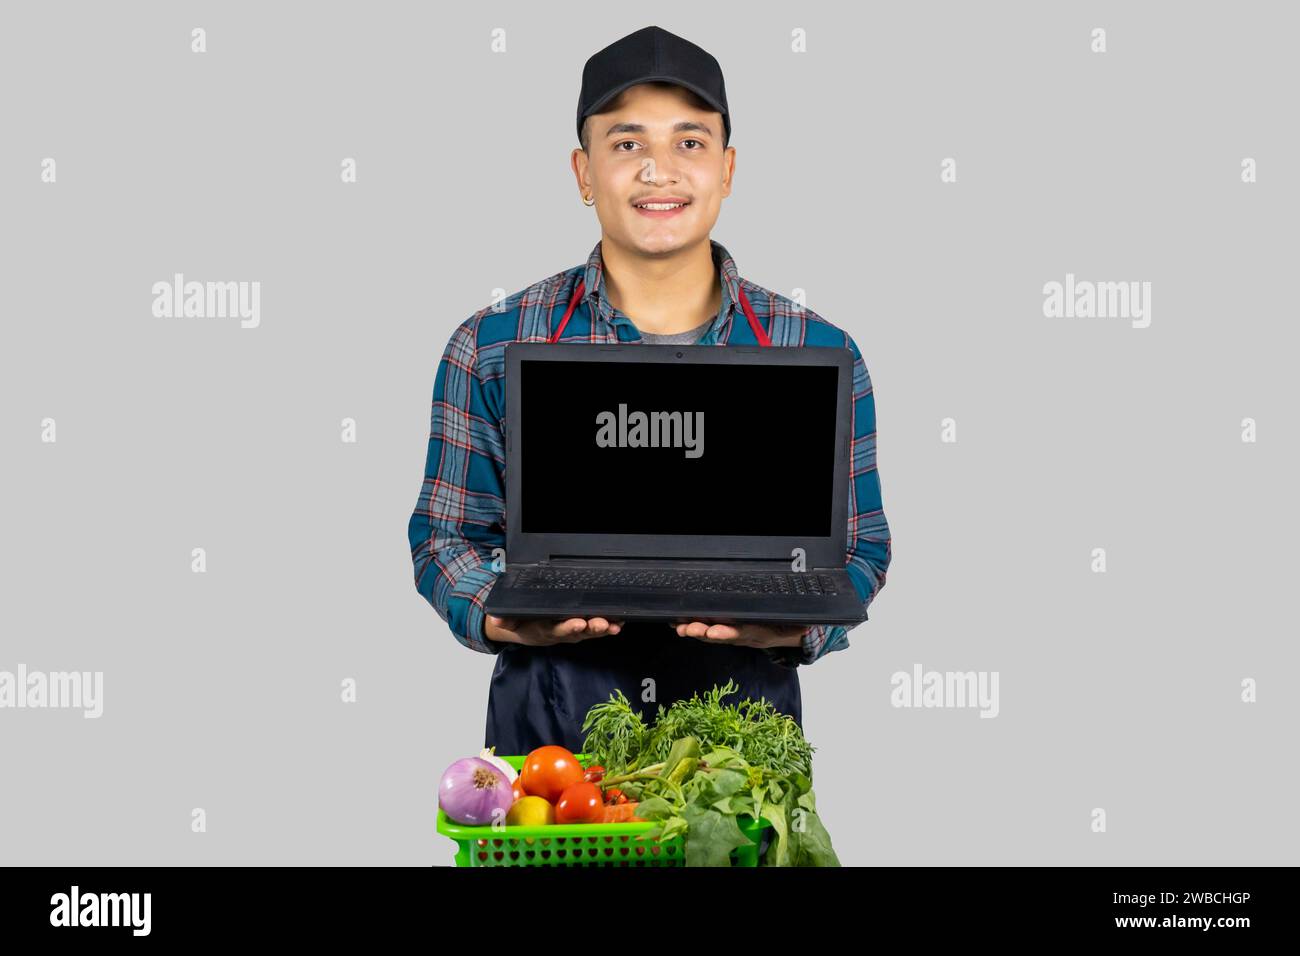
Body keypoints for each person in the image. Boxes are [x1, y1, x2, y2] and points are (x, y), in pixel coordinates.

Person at [408, 25, 892, 758]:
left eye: (689, 143)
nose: (659, 171)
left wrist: (795, 625)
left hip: (742, 759)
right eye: (627, 144)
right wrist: (506, 615)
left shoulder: (819, 351)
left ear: (727, 169)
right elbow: (445, 539)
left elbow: (860, 551)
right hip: (552, 753)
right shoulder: (491, 345)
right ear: (583, 172)